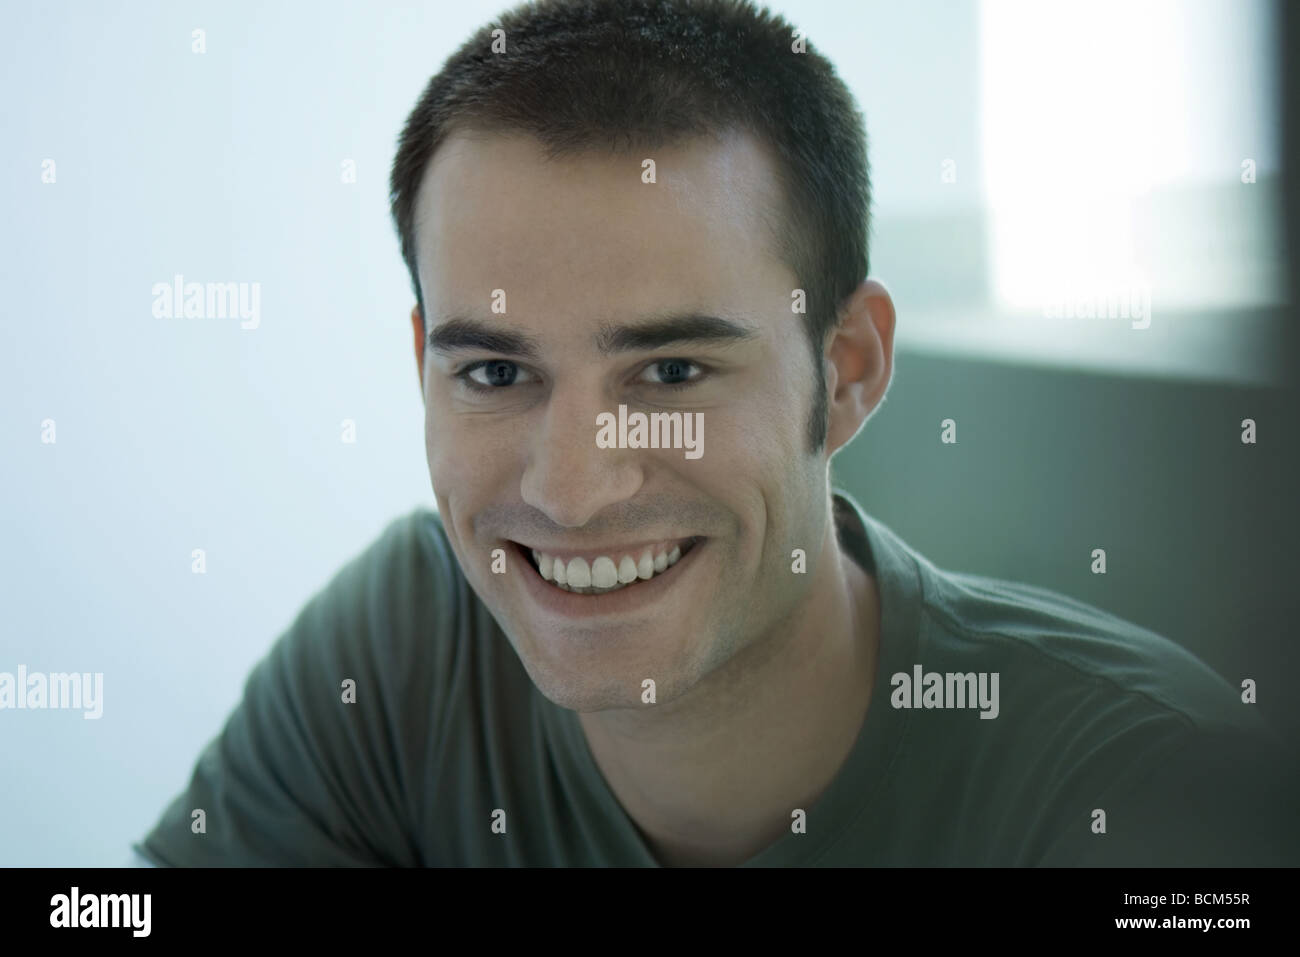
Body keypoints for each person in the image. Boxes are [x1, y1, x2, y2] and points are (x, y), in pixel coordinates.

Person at [135, 0, 1294, 867]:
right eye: (494, 370)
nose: (573, 490)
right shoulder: (403, 642)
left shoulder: (1149, 793)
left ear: (845, 371)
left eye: (674, 369)